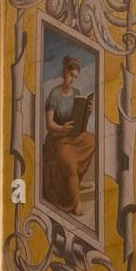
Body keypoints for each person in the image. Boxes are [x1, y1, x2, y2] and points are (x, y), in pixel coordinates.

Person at [42, 54, 95, 218]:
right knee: (69, 159)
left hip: (73, 135)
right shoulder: (54, 94)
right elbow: (49, 124)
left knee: (91, 140)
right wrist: (62, 128)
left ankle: (78, 180)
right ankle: (76, 201)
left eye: (76, 77)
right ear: (64, 73)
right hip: (58, 138)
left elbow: (78, 118)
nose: (73, 79)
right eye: (71, 75)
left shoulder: (77, 92)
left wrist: (87, 111)